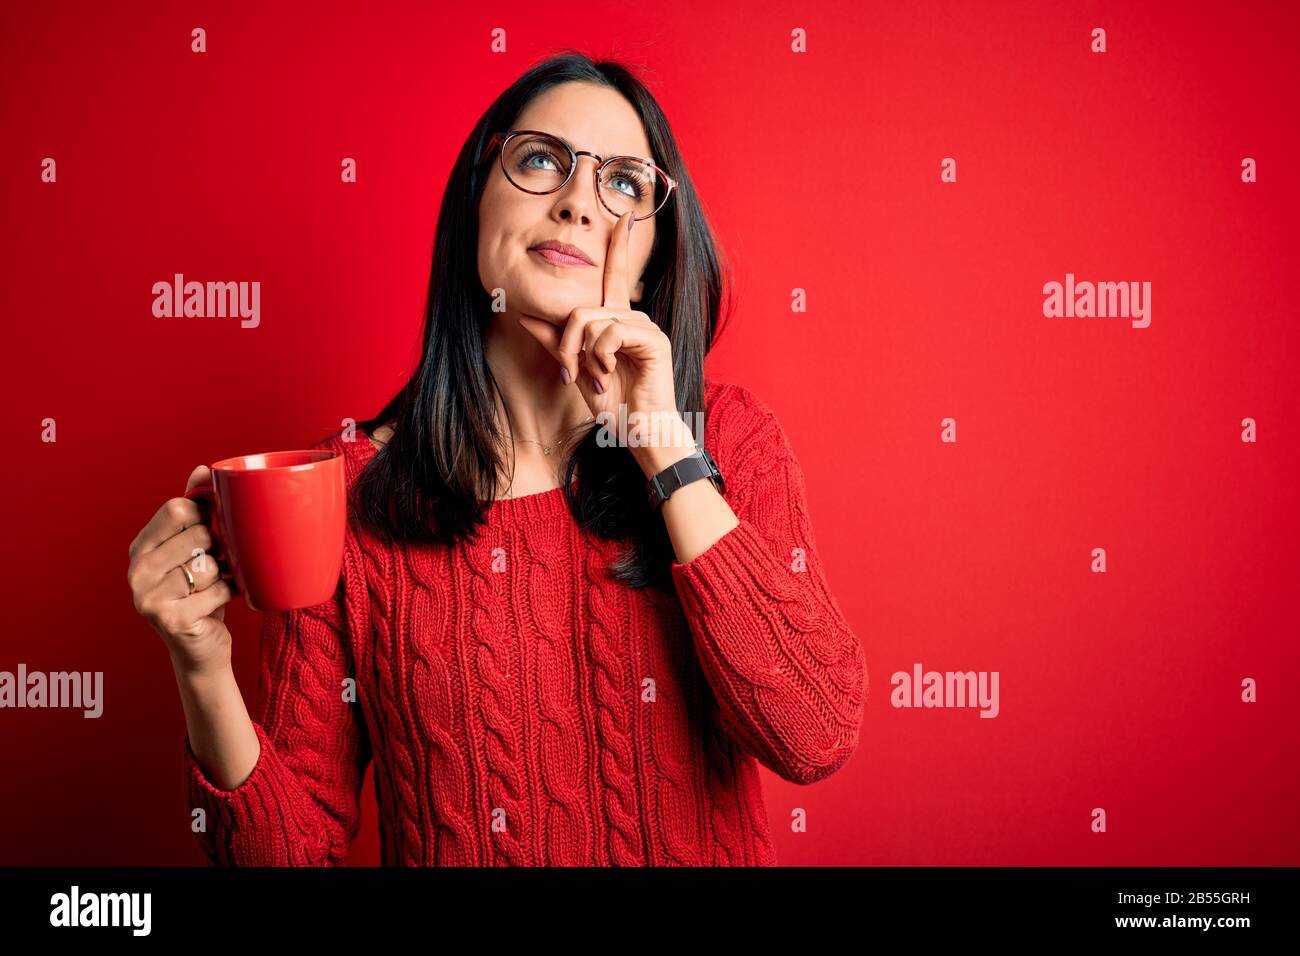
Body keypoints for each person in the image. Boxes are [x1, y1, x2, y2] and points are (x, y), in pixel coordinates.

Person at [127, 51, 868, 866]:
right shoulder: (347, 496)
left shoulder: (726, 441)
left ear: (659, 247)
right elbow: (291, 856)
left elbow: (816, 731)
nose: (579, 204)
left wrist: (663, 445)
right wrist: (202, 667)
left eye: (623, 182)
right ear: (476, 199)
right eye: (543, 160)